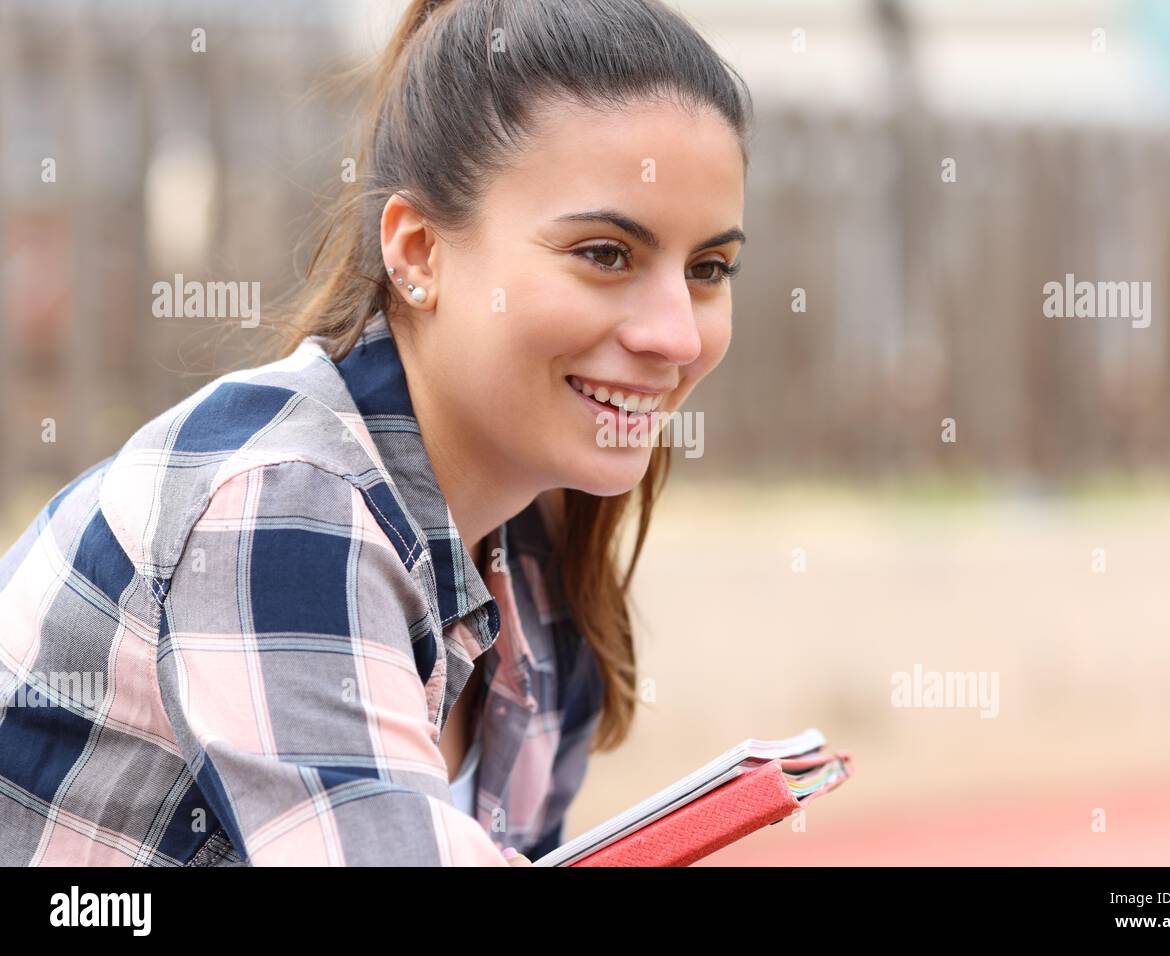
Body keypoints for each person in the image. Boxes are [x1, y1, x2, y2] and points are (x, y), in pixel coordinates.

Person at [0, 0, 751, 866]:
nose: (677, 336)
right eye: (606, 254)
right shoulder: (283, 504)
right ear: (419, 253)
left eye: (708, 270)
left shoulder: (537, 569)